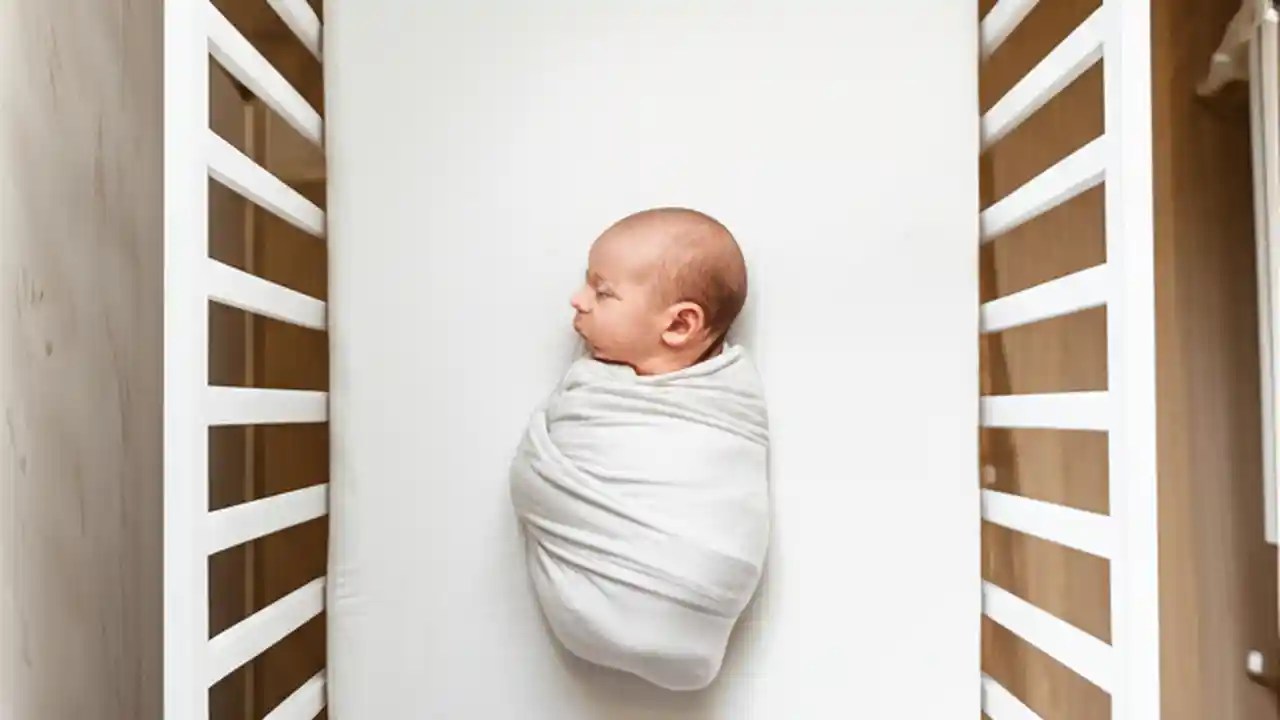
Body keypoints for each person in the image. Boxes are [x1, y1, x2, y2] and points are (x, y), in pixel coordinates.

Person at [509, 207, 770, 691]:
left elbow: (730, 501)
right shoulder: (603, 396)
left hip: (689, 594)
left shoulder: (722, 403)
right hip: (593, 609)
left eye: (601, 291)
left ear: (678, 326)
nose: (577, 300)